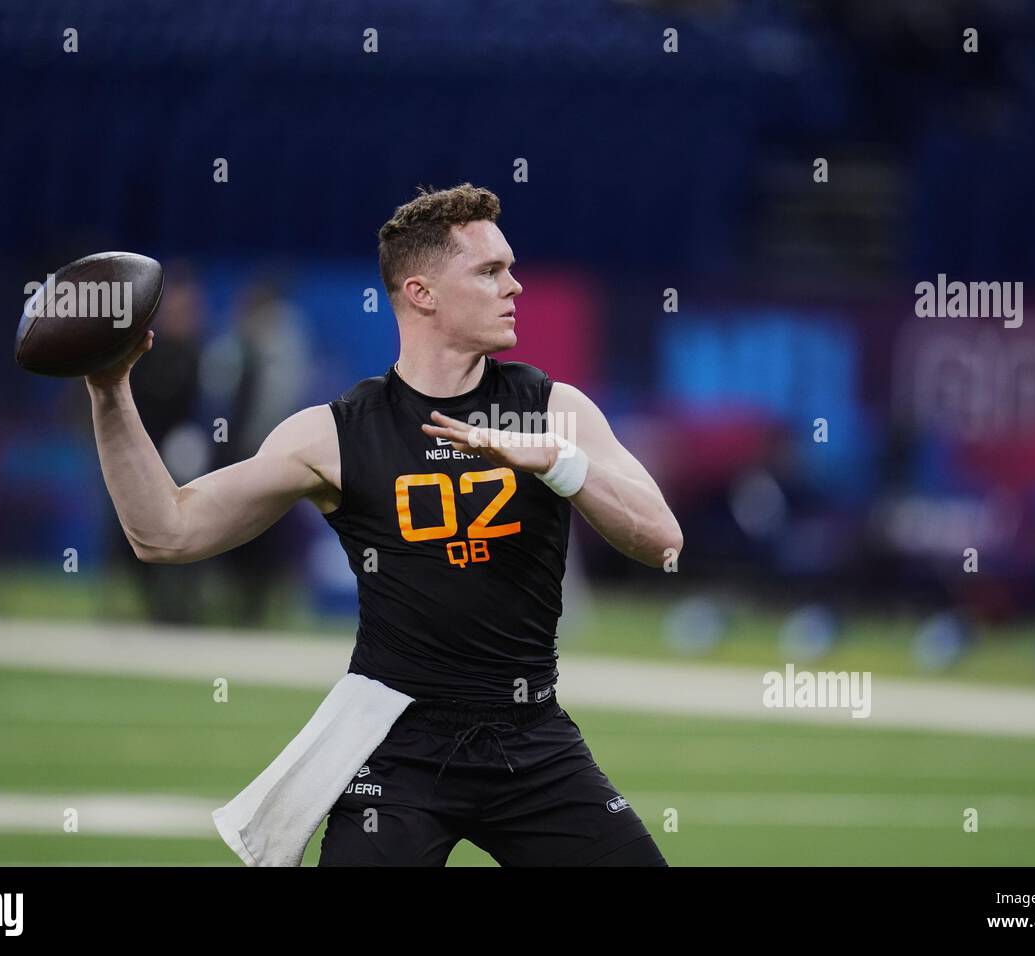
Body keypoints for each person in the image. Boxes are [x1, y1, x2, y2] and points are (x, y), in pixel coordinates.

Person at [85, 183, 683, 866]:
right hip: (398, 750)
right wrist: (109, 393)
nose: (514, 287)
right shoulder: (335, 434)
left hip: (533, 739)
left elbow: (662, 540)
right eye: (489, 272)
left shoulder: (554, 410)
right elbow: (166, 532)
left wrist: (560, 463)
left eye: (511, 268)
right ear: (422, 293)